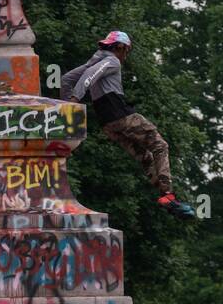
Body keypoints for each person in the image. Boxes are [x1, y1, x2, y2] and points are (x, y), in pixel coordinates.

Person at [59, 31, 196, 219]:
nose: (125, 57)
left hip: (108, 125)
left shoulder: (94, 62)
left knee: (145, 157)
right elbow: (91, 75)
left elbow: (66, 79)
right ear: (120, 47)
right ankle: (168, 194)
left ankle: (166, 199)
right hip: (123, 117)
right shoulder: (112, 61)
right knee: (160, 145)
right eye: (126, 51)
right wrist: (74, 101)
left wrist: (65, 108)